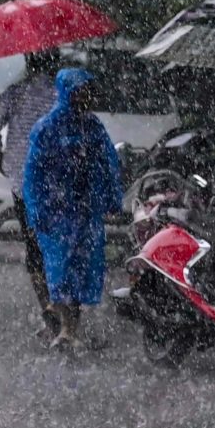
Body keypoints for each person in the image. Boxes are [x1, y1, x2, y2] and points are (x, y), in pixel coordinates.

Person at [22, 69, 124, 350]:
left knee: (82, 271)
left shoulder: (92, 127)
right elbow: (32, 174)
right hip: (55, 214)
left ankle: (70, 328)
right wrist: (36, 210)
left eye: (88, 90)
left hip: (85, 211)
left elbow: (108, 163)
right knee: (59, 269)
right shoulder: (47, 128)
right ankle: (61, 322)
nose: (87, 96)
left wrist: (113, 197)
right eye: (81, 90)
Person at [0, 50, 62, 340]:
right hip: (57, 185)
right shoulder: (61, 96)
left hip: (23, 182)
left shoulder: (15, 93)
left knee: (34, 249)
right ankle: (65, 315)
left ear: (29, 64)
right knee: (56, 247)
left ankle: (48, 311)